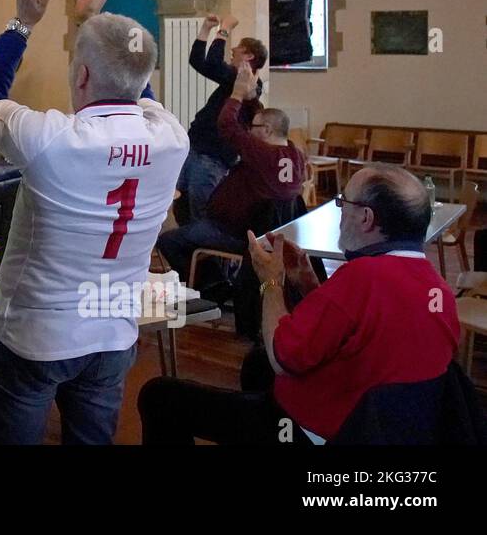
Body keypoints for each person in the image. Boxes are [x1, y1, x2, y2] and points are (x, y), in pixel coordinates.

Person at [0, 0, 189, 445]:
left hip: (34, 336)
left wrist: (22, 23)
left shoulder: (51, 139)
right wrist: (91, 19)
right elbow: (135, 83)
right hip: (112, 336)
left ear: (82, 74)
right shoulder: (172, 138)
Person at [139, 164, 461, 444]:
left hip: (314, 431)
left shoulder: (363, 277)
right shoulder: (438, 291)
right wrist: (309, 285)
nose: (339, 211)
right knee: (256, 363)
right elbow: (359, 328)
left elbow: (283, 357)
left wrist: (271, 280)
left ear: (366, 218)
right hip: (386, 426)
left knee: (159, 396)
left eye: (342, 202)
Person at [157, 62, 305, 284]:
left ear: (267, 131)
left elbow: (226, 125)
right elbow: (257, 119)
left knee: (170, 240)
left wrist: (237, 93)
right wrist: (252, 94)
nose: (248, 132)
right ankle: (217, 280)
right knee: (190, 219)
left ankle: (209, 288)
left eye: (253, 128)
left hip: (235, 233)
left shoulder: (262, 152)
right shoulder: (296, 155)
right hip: (266, 233)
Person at [176, 14, 268, 220]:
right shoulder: (233, 78)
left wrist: (224, 30)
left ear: (249, 57)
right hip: (197, 147)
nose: (233, 50)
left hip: (213, 155)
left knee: (201, 210)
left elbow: (214, 62)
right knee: (181, 202)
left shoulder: (248, 82)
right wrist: (205, 30)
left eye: (238, 49)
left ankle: (203, 250)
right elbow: (199, 62)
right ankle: (186, 248)